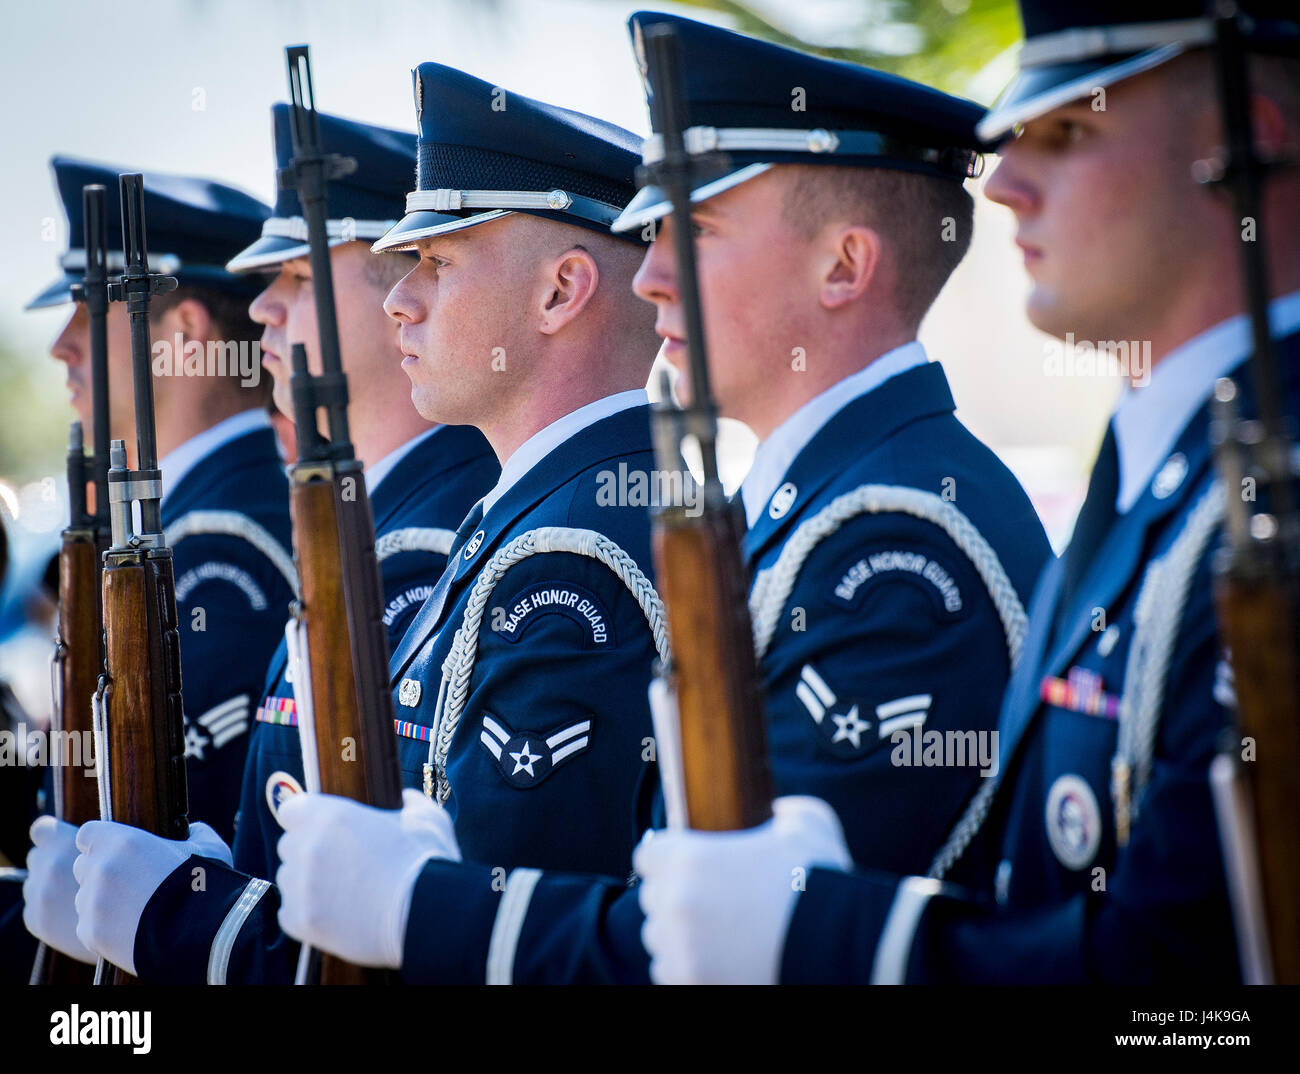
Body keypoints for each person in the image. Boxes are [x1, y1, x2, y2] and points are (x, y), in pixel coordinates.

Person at [273, 12, 1051, 986]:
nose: (646, 278)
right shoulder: (814, 513)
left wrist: (409, 906)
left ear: (844, 266)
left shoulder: (896, 546)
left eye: (699, 230)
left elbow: (742, 949)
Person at [634, 0, 1300, 983]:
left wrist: (828, 936)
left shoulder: (1234, 497)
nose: (1006, 188)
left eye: (1070, 131)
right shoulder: (1158, 481)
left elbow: (1183, 987)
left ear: (1241, 141)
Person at [84, 66, 665, 982]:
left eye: (437, 261)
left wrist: (185, 925)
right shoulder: (529, 518)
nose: (404, 294)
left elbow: (486, 936)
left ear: (560, 293)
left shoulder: (572, 556)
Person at [52, 107, 500, 983]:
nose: (261, 305)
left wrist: (177, 919)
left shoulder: (265, 548)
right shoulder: (373, 526)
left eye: (297, 273)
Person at [19, 160, 297, 968]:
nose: (61, 344)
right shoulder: (196, 527)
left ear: (182, 338)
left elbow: (181, 839)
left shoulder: (221, 554)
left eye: (90, 307)